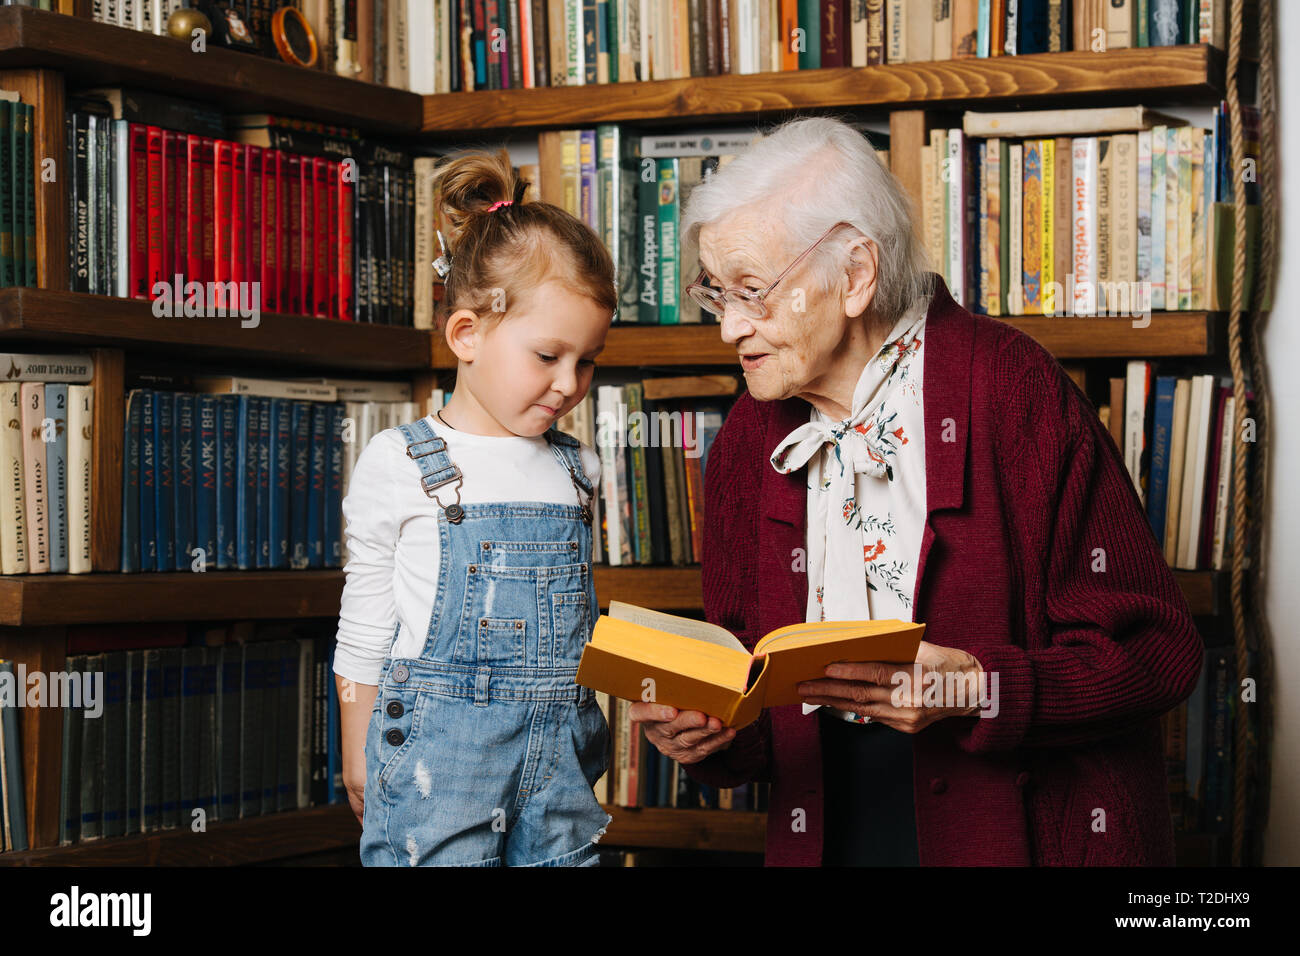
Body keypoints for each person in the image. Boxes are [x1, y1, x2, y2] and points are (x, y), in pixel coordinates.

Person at [630, 115, 1203, 866]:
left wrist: (975, 687)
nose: (730, 328)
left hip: (1016, 832)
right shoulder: (750, 431)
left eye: (754, 292)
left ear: (856, 274)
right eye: (717, 294)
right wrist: (708, 734)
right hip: (830, 829)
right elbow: (758, 704)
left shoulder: (1012, 387)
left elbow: (1157, 654)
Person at [334, 148, 615, 866]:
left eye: (586, 361)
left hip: (562, 761)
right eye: (547, 355)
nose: (567, 383)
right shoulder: (402, 464)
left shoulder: (578, 468)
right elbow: (366, 629)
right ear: (467, 334)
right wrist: (359, 746)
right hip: (439, 766)